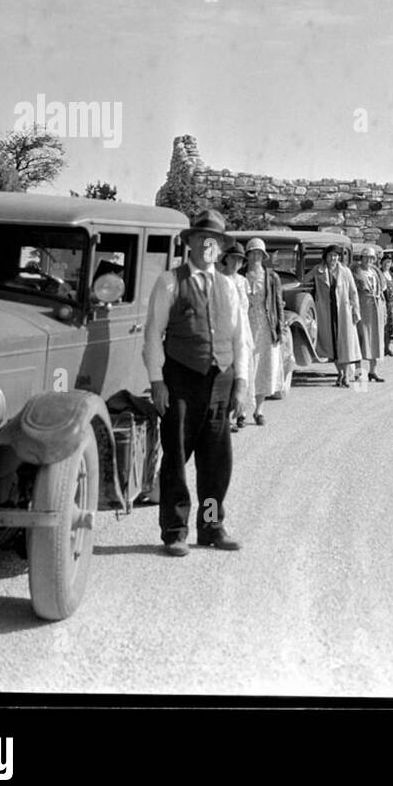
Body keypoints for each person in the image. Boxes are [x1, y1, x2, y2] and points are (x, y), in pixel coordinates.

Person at [144, 209, 252, 556]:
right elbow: (151, 335)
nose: (208, 246)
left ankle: (210, 526)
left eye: (214, 242)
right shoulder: (170, 281)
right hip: (180, 379)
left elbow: (241, 338)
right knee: (175, 457)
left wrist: (240, 382)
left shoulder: (229, 285)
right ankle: (175, 531)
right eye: (201, 239)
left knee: (216, 461)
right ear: (189, 243)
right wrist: (157, 382)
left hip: (219, 380)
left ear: (220, 248)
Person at [243, 238, 285, 425]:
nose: (256, 257)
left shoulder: (271, 277)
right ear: (248, 255)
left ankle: (259, 410)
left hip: (266, 325)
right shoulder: (240, 275)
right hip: (245, 324)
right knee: (245, 366)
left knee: (263, 367)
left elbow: (278, 304)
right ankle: (241, 411)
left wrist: (280, 329)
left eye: (259, 253)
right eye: (252, 253)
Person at [313, 245, 362, 387]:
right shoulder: (319, 270)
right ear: (326, 257)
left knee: (345, 345)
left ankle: (347, 375)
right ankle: (340, 373)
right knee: (332, 345)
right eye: (330, 256)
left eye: (335, 256)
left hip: (344, 311)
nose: (333, 258)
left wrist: (356, 312)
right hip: (327, 312)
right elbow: (304, 281)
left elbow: (353, 292)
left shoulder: (345, 271)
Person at [218, 241, 254, 432]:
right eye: (233, 258)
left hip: (243, 330)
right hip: (225, 330)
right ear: (226, 258)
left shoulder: (242, 281)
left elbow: (247, 307)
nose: (236, 263)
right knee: (226, 373)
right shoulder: (219, 279)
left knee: (243, 370)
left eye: (240, 260)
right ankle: (225, 417)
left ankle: (241, 412)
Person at [354, 247, 387, 383]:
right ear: (361, 258)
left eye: (371, 258)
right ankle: (358, 373)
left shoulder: (375, 272)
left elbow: (382, 289)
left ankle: (373, 371)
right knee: (361, 339)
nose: (368, 261)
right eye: (366, 257)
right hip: (363, 307)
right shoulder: (355, 273)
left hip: (376, 307)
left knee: (376, 339)